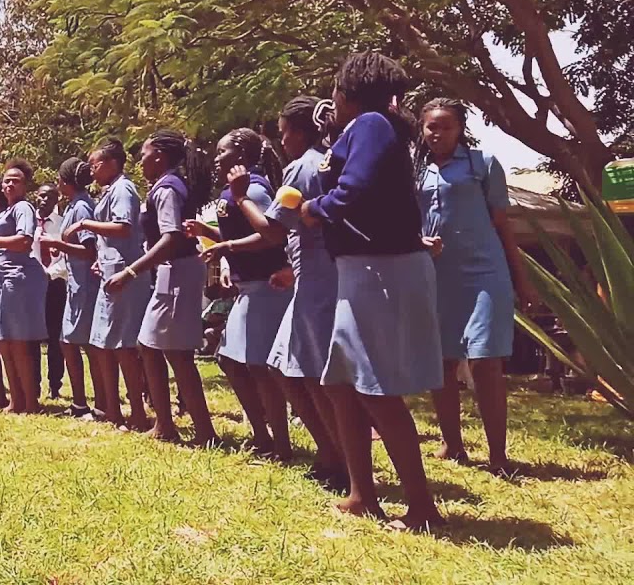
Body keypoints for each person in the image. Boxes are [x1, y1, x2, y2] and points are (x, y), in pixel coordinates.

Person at [300, 52, 444, 530]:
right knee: (342, 384)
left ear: (347, 92)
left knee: (376, 388)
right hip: (359, 268)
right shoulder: (368, 128)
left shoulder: (370, 124)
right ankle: (361, 494)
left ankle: (422, 508)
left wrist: (316, 208)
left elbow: (353, 189)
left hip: (381, 269)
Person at [220, 96, 345, 481]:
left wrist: (241, 197)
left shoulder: (302, 167)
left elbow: (272, 231)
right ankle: (331, 453)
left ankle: (339, 459)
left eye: (284, 132)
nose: (281, 140)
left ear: (299, 133)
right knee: (285, 368)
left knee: (309, 373)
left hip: (316, 279)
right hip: (312, 274)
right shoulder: (324, 162)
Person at [415, 98, 531, 475]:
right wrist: (419, 241)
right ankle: (453, 444)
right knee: (442, 362)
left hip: (484, 272)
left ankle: (498, 455)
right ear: (422, 129)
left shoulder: (483, 164)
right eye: (431, 126)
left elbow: (502, 222)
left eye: (446, 126)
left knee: (484, 361)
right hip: (436, 275)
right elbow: (406, 221)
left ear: (460, 128)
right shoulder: (415, 171)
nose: (437, 133)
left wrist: (522, 279)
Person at [99, 132, 220, 445]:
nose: (140, 160)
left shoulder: (167, 188)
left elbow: (171, 237)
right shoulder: (166, 185)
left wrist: (130, 271)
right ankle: (165, 424)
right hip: (172, 272)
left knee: (176, 354)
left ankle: (204, 432)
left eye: (144, 154)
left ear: (159, 157)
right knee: (150, 346)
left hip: (178, 271)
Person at [190, 128, 294, 459]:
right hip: (246, 288)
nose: (216, 157)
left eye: (223, 152)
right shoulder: (234, 190)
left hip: (266, 286)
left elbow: (270, 234)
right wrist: (210, 234)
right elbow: (240, 232)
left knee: (259, 368)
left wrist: (227, 247)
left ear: (241, 154)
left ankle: (280, 444)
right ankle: (262, 434)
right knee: (230, 361)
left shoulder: (255, 189)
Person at [64, 139, 150, 430]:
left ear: (113, 163)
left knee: (124, 346)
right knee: (103, 344)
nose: (91, 170)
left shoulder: (124, 189)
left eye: (95, 164)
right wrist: (100, 258)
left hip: (124, 275)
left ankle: (137, 413)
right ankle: (112, 412)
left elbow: (124, 227)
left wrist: (85, 225)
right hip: (108, 274)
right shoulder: (109, 191)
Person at [0, 160, 48, 414]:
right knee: (3, 342)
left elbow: (24, 241)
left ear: (25, 186)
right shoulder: (5, 212)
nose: (10, 184)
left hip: (17, 278)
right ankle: (16, 401)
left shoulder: (23, 207)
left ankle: (30, 403)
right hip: (0, 280)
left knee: (17, 342)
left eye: (16, 180)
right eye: (7, 181)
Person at [40, 158, 100, 418]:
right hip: (74, 283)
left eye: (59, 179)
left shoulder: (82, 207)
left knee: (83, 345)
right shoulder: (75, 205)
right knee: (68, 342)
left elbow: (89, 250)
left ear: (66, 182)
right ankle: (80, 403)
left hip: (85, 284)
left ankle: (97, 403)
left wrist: (58, 245)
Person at [30, 183, 67, 400]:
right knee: (32, 337)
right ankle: (33, 384)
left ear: (56, 200)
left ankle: (55, 385)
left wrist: (49, 273)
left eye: (50, 197)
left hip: (55, 284)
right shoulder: (27, 223)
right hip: (31, 285)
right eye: (42, 196)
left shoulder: (62, 224)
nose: (44, 200)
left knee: (55, 338)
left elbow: (65, 258)